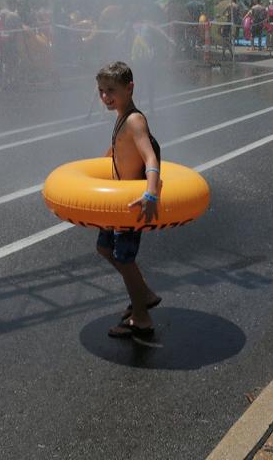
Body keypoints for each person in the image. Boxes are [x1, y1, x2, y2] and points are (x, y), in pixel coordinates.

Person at [95, 61, 163, 340]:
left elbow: (149, 157)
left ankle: (142, 317)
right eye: (100, 91)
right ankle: (143, 294)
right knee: (104, 248)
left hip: (131, 203)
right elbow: (118, 150)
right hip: (117, 202)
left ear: (129, 88)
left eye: (111, 90)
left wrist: (150, 192)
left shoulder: (135, 120)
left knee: (124, 258)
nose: (105, 96)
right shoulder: (122, 117)